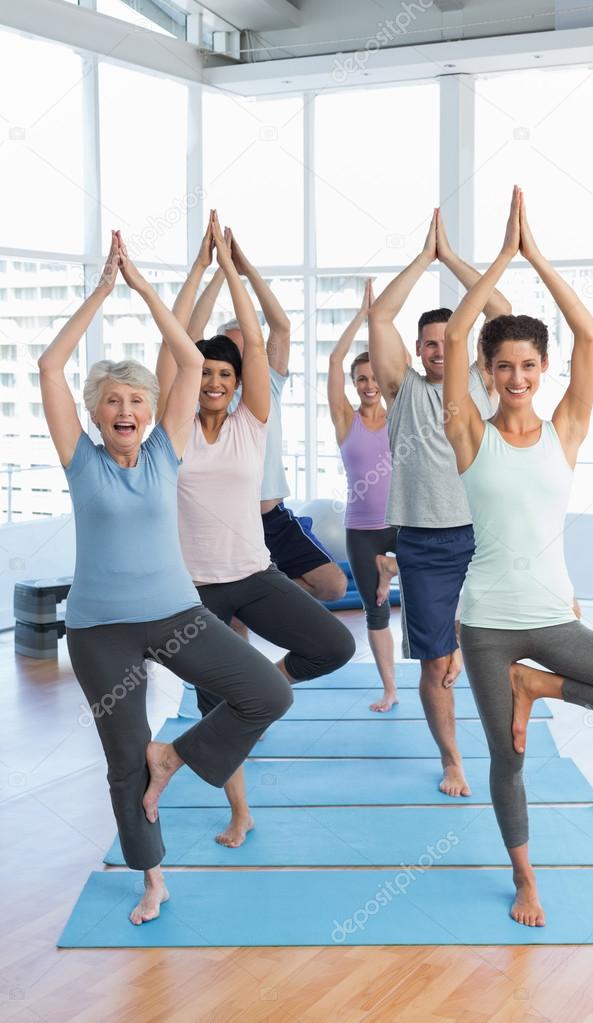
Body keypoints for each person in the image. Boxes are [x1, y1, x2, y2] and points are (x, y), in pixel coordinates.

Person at [38, 229, 293, 925]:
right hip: (98, 630)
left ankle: (174, 755)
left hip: (176, 613)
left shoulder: (165, 451)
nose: (127, 412)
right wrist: (99, 293)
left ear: (152, 412)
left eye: (137, 402)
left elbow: (187, 356)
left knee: (267, 691)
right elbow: (49, 364)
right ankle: (152, 876)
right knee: (123, 759)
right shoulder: (79, 459)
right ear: (96, 413)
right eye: (114, 401)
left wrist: (145, 289)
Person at [443, 185, 593, 927]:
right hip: (486, 623)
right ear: (488, 369)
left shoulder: (565, 428)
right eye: (503, 365)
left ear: (542, 369)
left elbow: (587, 333)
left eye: (528, 365)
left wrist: (534, 254)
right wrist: (496, 262)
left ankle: (538, 687)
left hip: (552, 618)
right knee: (506, 761)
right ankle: (525, 877)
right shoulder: (469, 433)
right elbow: (452, 338)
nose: (517, 377)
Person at [156, 213, 355, 847]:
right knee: (219, 704)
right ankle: (239, 812)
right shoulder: (174, 430)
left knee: (333, 646)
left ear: (242, 384)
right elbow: (175, 345)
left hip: (254, 575)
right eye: (206, 373)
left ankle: (248, 701)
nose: (214, 381)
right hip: (194, 592)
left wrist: (238, 270)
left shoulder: (252, 423)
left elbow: (267, 343)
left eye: (226, 375)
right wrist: (203, 268)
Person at [368, 209, 511, 797]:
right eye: (426, 343)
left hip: (485, 537)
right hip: (424, 542)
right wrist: (424, 258)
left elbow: (501, 315)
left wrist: (453, 259)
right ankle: (452, 760)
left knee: (490, 655)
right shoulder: (401, 390)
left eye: (444, 342)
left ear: (460, 348)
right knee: (434, 665)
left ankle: (505, 739)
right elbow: (379, 315)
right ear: (418, 350)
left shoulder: (480, 381)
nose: (435, 351)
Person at [187, 232, 347, 606]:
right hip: (223, 522)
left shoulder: (267, 389)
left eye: (250, 351)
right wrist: (216, 273)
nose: (248, 359)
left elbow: (281, 328)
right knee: (228, 615)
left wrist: (240, 270)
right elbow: (189, 337)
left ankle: (258, 604)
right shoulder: (205, 393)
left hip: (270, 516)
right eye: (235, 352)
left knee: (333, 585)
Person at [328, 279, 399, 712]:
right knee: (377, 615)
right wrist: (362, 315)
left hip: (403, 522)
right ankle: (390, 689)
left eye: (374, 377)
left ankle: (390, 568)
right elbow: (334, 360)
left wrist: (380, 323)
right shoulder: (345, 419)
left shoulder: (399, 415)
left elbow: (400, 364)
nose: (368, 385)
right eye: (361, 379)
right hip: (362, 530)